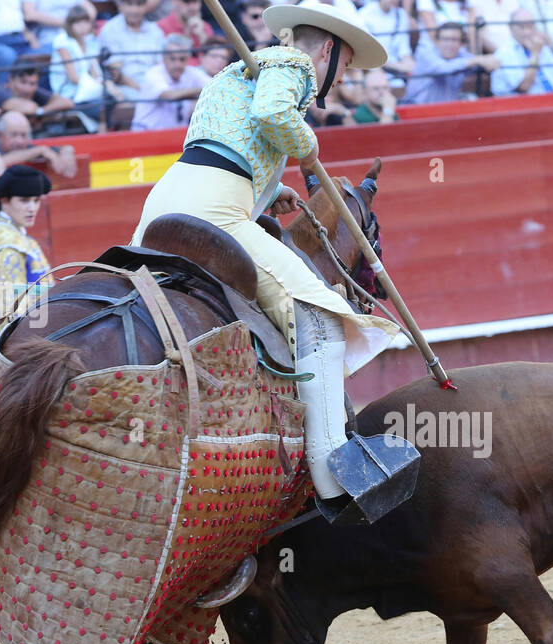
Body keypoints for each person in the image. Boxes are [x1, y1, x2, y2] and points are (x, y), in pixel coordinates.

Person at [130, 2, 416, 523]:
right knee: (322, 316)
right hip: (216, 210)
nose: (342, 76)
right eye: (346, 65)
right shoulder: (296, 64)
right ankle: (332, 478)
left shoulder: (233, 71)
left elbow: (228, 145)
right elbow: (273, 115)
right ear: (327, 48)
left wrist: (268, 190)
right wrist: (307, 144)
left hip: (170, 197)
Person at [0, 164, 53, 330]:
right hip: (27, 337)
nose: (32, 208)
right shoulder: (8, 245)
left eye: (36, 200)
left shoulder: (2, 230)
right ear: (4, 200)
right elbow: (12, 310)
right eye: (24, 201)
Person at [0, 60, 74, 142]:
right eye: (23, 82)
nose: (28, 89)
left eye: (33, 83)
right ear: (11, 80)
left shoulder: (33, 91)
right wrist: (40, 113)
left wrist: (41, 111)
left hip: (5, 146)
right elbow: (29, 109)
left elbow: (67, 102)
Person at [402, 20, 500, 102]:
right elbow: (444, 67)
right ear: (437, 41)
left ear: (461, 43)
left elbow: (477, 62)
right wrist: (478, 60)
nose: (449, 44)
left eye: (454, 40)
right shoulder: (426, 55)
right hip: (416, 111)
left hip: (445, 112)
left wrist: (489, 62)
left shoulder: (461, 55)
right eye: (445, 39)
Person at [50, 4, 111, 130]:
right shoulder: (62, 42)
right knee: (105, 108)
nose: (82, 27)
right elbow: (74, 78)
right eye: (78, 23)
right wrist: (98, 86)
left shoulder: (89, 41)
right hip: (70, 94)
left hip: (88, 91)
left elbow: (94, 70)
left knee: (113, 100)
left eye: (85, 22)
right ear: (70, 24)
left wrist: (102, 84)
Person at [131, 33, 208, 130]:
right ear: (163, 58)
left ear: (188, 59)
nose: (177, 64)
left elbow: (214, 85)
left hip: (176, 136)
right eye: (172, 59)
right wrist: (199, 91)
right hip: (146, 134)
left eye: (182, 59)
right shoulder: (153, 74)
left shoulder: (191, 72)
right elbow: (169, 95)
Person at [98, 0, 167, 98]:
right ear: (120, 5)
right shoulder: (110, 30)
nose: (134, 10)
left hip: (156, 85)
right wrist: (142, 90)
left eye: (139, 4)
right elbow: (115, 72)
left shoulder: (156, 31)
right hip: (127, 87)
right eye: (129, 4)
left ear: (145, 6)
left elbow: (162, 65)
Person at [0, 109, 77, 175]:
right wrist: (40, 150)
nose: (19, 141)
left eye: (23, 135)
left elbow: (61, 148)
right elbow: (0, 161)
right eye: (14, 135)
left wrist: (67, 151)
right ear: (0, 135)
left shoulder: (30, 148)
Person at [491, 6, 553, 95]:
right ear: (511, 28)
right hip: (522, 105)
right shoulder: (505, 52)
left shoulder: (542, 46)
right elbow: (524, 87)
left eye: (530, 26)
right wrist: (535, 54)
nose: (527, 32)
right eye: (522, 27)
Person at [359, 0, 416, 74]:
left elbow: (404, 51)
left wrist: (410, 66)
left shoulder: (401, 14)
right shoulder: (364, 14)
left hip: (396, 72)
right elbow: (365, 53)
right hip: (373, 70)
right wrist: (399, 66)